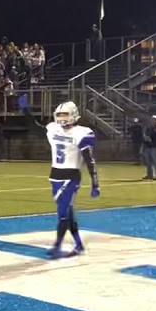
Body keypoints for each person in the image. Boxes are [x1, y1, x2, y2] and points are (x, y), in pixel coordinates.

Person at [44, 101, 99, 258]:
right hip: (55, 175)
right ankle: (79, 245)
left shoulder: (82, 133)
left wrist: (95, 183)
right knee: (67, 213)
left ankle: (57, 245)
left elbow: (90, 160)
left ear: (73, 115)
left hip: (71, 176)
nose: (62, 118)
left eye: (65, 115)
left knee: (62, 213)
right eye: (59, 115)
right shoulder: (52, 128)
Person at [143, 115, 156, 181]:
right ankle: (150, 175)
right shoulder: (148, 128)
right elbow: (145, 136)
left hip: (155, 147)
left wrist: (152, 140)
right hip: (148, 147)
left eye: (154, 120)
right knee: (148, 162)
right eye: (152, 120)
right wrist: (146, 139)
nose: (152, 121)